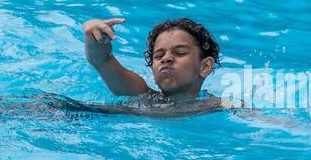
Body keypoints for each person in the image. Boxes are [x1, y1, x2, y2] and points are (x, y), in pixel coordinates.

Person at [82, 16, 227, 115]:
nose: (166, 59)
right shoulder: (141, 94)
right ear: (152, 68)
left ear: (205, 66)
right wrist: (92, 34)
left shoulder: (216, 106)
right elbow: (102, 61)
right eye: (159, 56)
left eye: (180, 52)